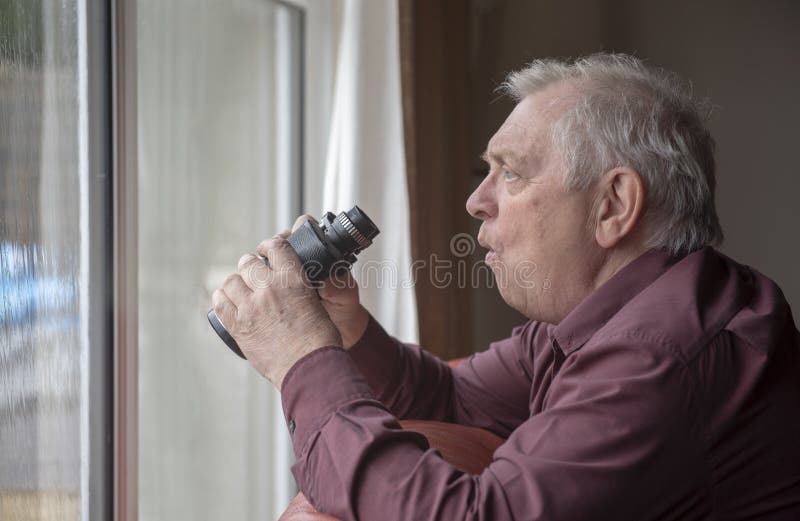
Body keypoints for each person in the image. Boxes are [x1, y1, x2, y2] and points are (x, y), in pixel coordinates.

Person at [211, 53, 800, 520]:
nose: (476, 201)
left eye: (512, 172)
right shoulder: (606, 314)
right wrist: (346, 332)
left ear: (614, 205)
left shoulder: (659, 356)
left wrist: (303, 357)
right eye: (485, 172)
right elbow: (452, 399)